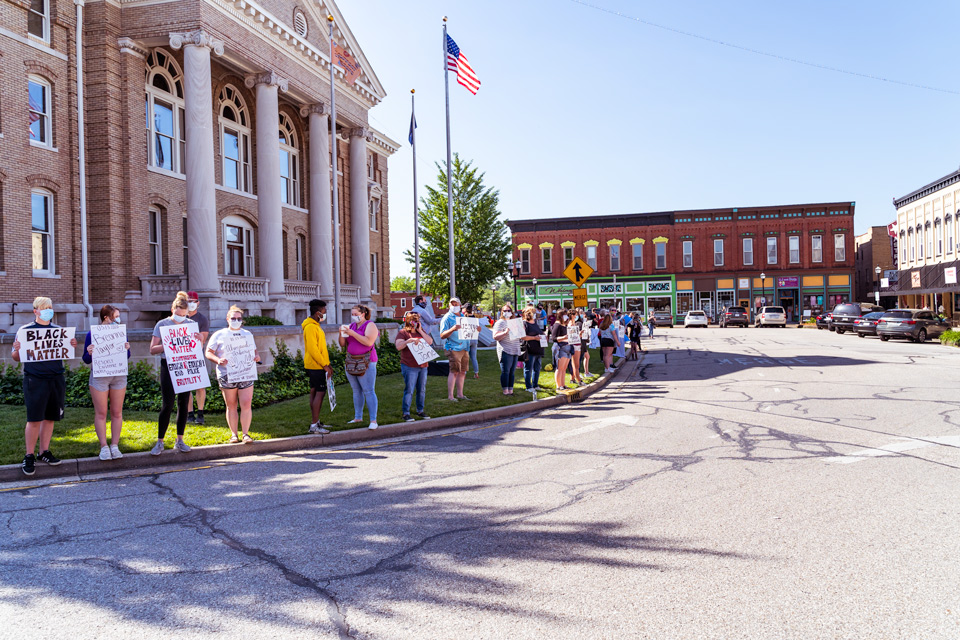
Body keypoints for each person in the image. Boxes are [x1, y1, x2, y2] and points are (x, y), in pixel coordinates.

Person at [12, 297, 78, 475]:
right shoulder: (25, 330)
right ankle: (29, 455)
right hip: (35, 379)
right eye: (44, 308)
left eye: (50, 307)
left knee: (50, 417)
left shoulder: (58, 331)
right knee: (34, 419)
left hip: (56, 378)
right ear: (35, 311)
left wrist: (72, 345)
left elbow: (66, 352)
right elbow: (16, 357)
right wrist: (17, 349)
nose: (48, 310)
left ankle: (44, 452)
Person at [149, 291, 202, 455]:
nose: (181, 318)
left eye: (184, 315)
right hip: (168, 365)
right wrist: (167, 345)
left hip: (185, 364)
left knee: (184, 403)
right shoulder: (162, 324)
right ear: (173, 309)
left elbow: (196, 349)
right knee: (168, 404)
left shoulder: (190, 324)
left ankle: (180, 440)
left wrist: (198, 339)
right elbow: (152, 349)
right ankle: (160, 442)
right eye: (179, 314)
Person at [82, 304, 131, 460]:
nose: (118, 319)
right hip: (100, 376)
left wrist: (127, 348)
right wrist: (90, 352)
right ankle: (104, 446)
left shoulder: (121, 332)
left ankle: (115, 446)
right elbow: (85, 359)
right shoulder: (92, 334)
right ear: (106, 317)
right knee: (101, 413)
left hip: (118, 375)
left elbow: (126, 356)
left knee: (117, 412)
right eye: (116, 316)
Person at [206, 306, 262, 443]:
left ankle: (246, 433)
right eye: (233, 318)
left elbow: (254, 352)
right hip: (226, 374)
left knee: (246, 404)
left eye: (239, 319)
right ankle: (234, 434)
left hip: (245, 373)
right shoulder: (219, 334)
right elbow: (208, 352)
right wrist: (218, 360)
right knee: (231, 405)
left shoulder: (247, 334)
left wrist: (257, 357)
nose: (236, 321)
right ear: (227, 319)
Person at [339, 305, 379, 429]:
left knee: (368, 390)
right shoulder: (351, 326)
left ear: (363, 314)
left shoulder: (370, 325)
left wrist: (353, 333)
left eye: (356, 314)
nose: (353, 316)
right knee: (356, 391)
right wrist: (341, 334)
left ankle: (373, 420)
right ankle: (358, 417)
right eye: (352, 314)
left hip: (366, 361)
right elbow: (343, 344)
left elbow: (368, 342)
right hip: (352, 361)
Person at [302, 299, 335, 434]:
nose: (325, 314)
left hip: (319, 365)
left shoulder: (315, 325)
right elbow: (313, 350)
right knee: (319, 394)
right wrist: (324, 365)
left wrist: (327, 364)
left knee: (315, 393)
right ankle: (314, 425)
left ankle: (316, 421)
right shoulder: (310, 327)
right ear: (317, 313)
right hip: (315, 366)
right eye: (324, 312)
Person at [395, 311, 433, 421]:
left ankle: (420, 410)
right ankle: (406, 412)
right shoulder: (403, 333)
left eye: (418, 320)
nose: (417, 322)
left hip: (422, 365)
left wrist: (420, 330)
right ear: (409, 321)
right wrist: (409, 341)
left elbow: (430, 341)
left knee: (421, 389)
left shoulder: (420, 331)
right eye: (415, 320)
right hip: (409, 365)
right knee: (409, 389)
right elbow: (398, 346)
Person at [184, 291, 210, 425]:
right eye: (188, 301)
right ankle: (189, 413)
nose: (191, 304)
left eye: (193, 301)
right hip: (183, 357)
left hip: (197, 356)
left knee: (199, 386)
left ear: (198, 303)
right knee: (187, 386)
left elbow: (203, 339)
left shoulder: (202, 319)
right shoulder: (180, 318)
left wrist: (200, 337)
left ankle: (200, 413)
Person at [439, 297, 470, 401]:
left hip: (464, 347)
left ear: (460, 306)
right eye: (453, 304)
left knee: (462, 371)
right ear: (449, 306)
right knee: (454, 371)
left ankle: (460, 394)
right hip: (453, 347)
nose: (455, 306)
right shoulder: (447, 318)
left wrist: (476, 329)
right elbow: (442, 335)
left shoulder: (462, 316)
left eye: (456, 304)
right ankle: (450, 396)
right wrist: (452, 329)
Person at [492, 303, 522, 395]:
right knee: (506, 371)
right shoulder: (500, 323)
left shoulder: (515, 322)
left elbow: (520, 336)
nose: (507, 312)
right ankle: (505, 390)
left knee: (512, 372)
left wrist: (521, 330)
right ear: (501, 312)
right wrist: (505, 332)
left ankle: (511, 390)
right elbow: (495, 336)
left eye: (509, 310)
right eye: (505, 311)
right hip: (505, 349)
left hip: (515, 349)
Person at [521, 306, 545, 391]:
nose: (535, 314)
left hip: (538, 349)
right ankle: (528, 386)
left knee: (537, 368)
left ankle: (535, 384)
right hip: (529, 349)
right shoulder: (524, 323)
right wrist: (534, 338)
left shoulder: (535, 323)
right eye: (533, 313)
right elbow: (523, 337)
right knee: (528, 368)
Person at [464, 302, 480, 379]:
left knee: (465, 357)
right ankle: (476, 373)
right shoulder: (475, 318)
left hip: (466, 339)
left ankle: (464, 373)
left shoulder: (464, 318)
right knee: (473, 357)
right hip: (474, 339)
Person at [566, 312, 583, 386]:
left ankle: (573, 378)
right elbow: (572, 335)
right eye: (575, 315)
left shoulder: (574, 323)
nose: (576, 316)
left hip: (577, 343)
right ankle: (578, 379)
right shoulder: (570, 324)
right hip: (574, 344)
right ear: (572, 316)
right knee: (575, 363)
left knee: (576, 363)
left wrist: (580, 334)